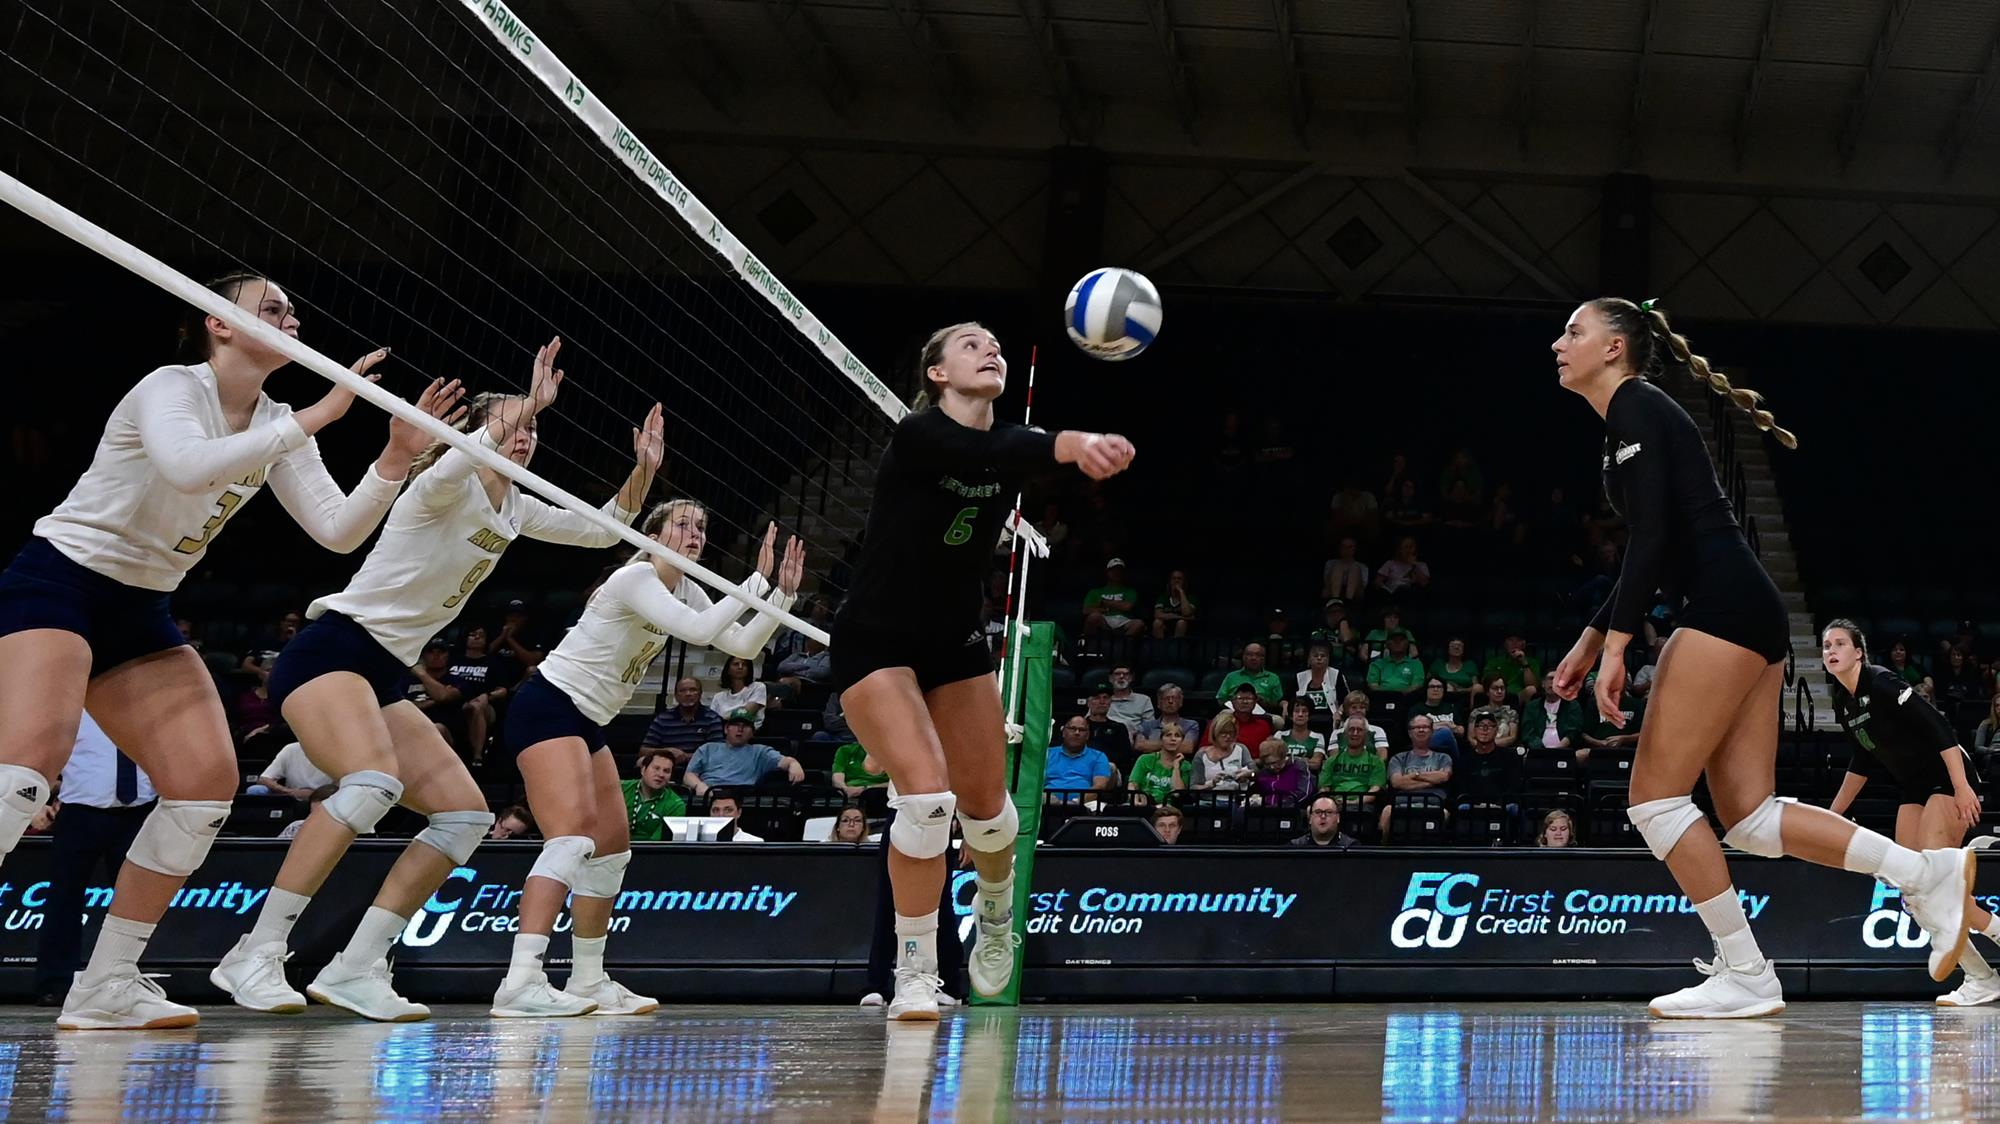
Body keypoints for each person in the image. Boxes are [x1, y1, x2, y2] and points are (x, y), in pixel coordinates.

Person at [0, 273, 461, 1029]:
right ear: (217, 323)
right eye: (271, 309)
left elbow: (337, 531)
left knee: (204, 790)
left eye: (294, 311)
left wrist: (393, 459)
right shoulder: (172, 386)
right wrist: (321, 414)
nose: (291, 319)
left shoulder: (277, 419)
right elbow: (188, 465)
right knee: (23, 772)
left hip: (142, 606)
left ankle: (106, 984)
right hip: (60, 580)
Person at [211, 338, 660, 1023]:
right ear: (477, 434)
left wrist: (642, 474)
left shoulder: (516, 508)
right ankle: (257, 950)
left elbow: (603, 535)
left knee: (465, 815)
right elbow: (462, 456)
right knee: (371, 782)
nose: (526, 437)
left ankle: (357, 966)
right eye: (513, 427)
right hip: (331, 651)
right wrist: (523, 404)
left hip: (384, 674)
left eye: (533, 429)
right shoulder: (439, 481)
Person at [1548, 296, 1973, 1019]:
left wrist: (1618, 646)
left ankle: (1746, 971)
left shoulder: (1637, 408)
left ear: (1615, 347)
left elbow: (1650, 542)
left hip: (1722, 609)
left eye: (1574, 331)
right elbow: (1650, 549)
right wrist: (1593, 639)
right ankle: (1921, 873)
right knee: (1747, 817)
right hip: (1742, 608)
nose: (1558, 342)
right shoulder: (1627, 422)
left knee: (1654, 800)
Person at [831, 322, 1133, 1019]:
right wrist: (1072, 444)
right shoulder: (917, 434)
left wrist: (1062, 448)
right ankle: (916, 971)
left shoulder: (1011, 449)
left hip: (953, 644)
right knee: (925, 801)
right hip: (874, 639)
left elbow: (1008, 447)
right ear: (936, 373)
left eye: (995, 343)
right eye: (969, 344)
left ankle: (996, 916)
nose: (989, 349)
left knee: (991, 818)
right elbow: (984, 446)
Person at [1821, 620, 2000, 1006]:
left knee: (1940, 888)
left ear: (1858, 652)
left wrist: (1962, 787)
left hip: (1947, 776)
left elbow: (1938, 726)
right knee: (1915, 892)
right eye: (1825, 646)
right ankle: (1982, 978)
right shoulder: (1842, 700)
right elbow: (1863, 758)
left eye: (1839, 643)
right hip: (1914, 788)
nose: (1831, 650)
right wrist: (1831, 815)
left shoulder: (1883, 683)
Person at [33, 713, 156, 1005]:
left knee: (136, 906)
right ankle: (55, 983)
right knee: (63, 900)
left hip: (139, 814)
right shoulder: (73, 710)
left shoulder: (146, 709)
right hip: (79, 813)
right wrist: (39, 803)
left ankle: (126, 979)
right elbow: (45, 756)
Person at [686, 709, 807, 797]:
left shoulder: (760, 752)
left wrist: (793, 763)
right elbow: (689, 775)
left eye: (746, 726)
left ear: (752, 732)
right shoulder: (707, 748)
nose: (740, 729)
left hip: (742, 797)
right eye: (735, 725)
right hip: (710, 794)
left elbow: (784, 761)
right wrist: (699, 786)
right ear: (726, 728)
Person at [640, 678, 726, 764]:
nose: (688, 694)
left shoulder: (712, 718)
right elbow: (643, 751)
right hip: (667, 769)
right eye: (682, 690)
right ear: (676, 696)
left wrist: (685, 757)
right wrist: (667, 752)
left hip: (701, 770)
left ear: (700, 694)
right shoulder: (662, 719)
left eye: (693, 690)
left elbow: (717, 753)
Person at [623, 749, 687, 842]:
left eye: (666, 771)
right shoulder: (620, 788)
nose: (661, 775)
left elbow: (656, 844)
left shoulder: (676, 805)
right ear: (643, 770)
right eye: (656, 768)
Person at [1127, 722, 1193, 806]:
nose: (1173, 739)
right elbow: (1133, 784)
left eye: (1177, 736)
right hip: (1144, 805)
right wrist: (1135, 802)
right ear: (1161, 739)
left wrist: (1176, 767)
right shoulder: (1145, 759)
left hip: (1170, 808)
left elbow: (1177, 793)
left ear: (1182, 740)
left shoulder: (1185, 766)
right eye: (1168, 735)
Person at [1045, 717, 1114, 793]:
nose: (1077, 733)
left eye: (1082, 730)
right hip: (1048, 801)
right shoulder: (1047, 754)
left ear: (1087, 735)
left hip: (1084, 803)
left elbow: (1099, 786)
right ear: (1064, 733)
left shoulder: (1098, 756)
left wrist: (1077, 802)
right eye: (1072, 728)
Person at [247, 741, 334, 800]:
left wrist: (314, 795)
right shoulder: (291, 749)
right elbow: (263, 779)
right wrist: (288, 791)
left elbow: (342, 787)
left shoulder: (336, 752)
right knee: (255, 790)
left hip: (324, 799)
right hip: (291, 797)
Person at [1082, 558, 1144, 638]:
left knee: (1139, 624)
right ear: (1107, 572)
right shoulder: (1095, 592)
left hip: (1124, 621)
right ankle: (1089, 647)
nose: (1116, 573)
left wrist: (1105, 602)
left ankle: (1122, 647)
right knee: (1094, 617)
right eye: (1113, 570)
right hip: (1104, 620)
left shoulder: (1130, 591)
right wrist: (1106, 609)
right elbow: (1086, 610)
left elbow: (1127, 607)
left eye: (1119, 570)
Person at [1133, 684, 1201, 755]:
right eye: (1166, 698)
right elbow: (1139, 745)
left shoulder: (1190, 725)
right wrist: (1174, 745)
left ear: (1180, 702)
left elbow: (1187, 748)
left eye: (1174, 698)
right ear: (1159, 703)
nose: (1170, 701)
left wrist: (1150, 744)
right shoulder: (1146, 726)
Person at [1193, 714, 1253, 791]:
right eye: (1223, 733)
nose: (1228, 736)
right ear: (1215, 733)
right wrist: (1212, 784)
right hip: (1209, 801)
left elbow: (1255, 774)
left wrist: (1249, 774)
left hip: (1237, 799)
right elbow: (1193, 788)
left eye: (1231, 732)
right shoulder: (1201, 754)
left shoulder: (1241, 749)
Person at [1216, 643, 1283, 710]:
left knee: (1277, 720)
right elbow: (1221, 700)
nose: (1253, 658)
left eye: (1258, 655)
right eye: (1249, 655)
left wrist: (1262, 702)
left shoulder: (1273, 678)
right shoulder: (1231, 676)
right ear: (1244, 657)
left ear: (1263, 658)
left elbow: (1277, 703)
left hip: (1263, 713)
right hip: (1233, 712)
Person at [1251, 738, 1313, 807]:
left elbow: (1304, 793)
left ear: (1283, 756)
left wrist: (1280, 806)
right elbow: (1257, 782)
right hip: (1265, 811)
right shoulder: (1265, 770)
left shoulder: (1298, 765)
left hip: (1289, 811)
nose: (1272, 767)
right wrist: (1251, 775)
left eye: (1274, 762)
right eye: (1268, 764)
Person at [710, 656, 768, 729]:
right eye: (736, 664)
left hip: (750, 732)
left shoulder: (758, 687)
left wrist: (724, 718)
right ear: (728, 670)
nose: (740, 667)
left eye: (744, 664)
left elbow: (744, 714)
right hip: (722, 733)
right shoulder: (718, 697)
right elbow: (712, 719)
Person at [1295, 643, 1348, 715]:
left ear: (1328, 659)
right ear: (1309, 659)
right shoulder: (1300, 676)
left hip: (1331, 720)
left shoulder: (1336, 675)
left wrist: (1339, 713)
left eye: (1323, 656)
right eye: (1315, 655)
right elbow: (1286, 699)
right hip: (1304, 719)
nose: (1319, 658)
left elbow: (1347, 701)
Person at [1278, 699, 1328, 769]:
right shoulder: (1280, 735)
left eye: (1304, 711)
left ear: (1309, 715)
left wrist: (1287, 760)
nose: (1300, 714)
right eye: (1296, 711)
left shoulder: (1318, 737)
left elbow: (1316, 764)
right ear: (1291, 716)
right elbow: (1275, 760)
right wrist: (1304, 760)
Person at [1105, 666, 1155, 734]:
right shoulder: (1102, 700)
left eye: (1125, 674)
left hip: (1133, 737)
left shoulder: (1144, 700)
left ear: (1131, 678)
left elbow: (1149, 727)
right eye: (1117, 674)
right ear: (1110, 678)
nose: (1121, 676)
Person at [1151, 569, 1198, 639]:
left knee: (1181, 623)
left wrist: (1181, 592)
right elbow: (1157, 615)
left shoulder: (1191, 598)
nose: (1176, 581)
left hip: (1185, 628)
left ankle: (1176, 648)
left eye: (1179, 579)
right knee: (1157, 622)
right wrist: (1179, 616)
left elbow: (1187, 613)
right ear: (1170, 581)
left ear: (1184, 582)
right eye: (1174, 578)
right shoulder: (1163, 597)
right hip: (1166, 626)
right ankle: (1159, 648)